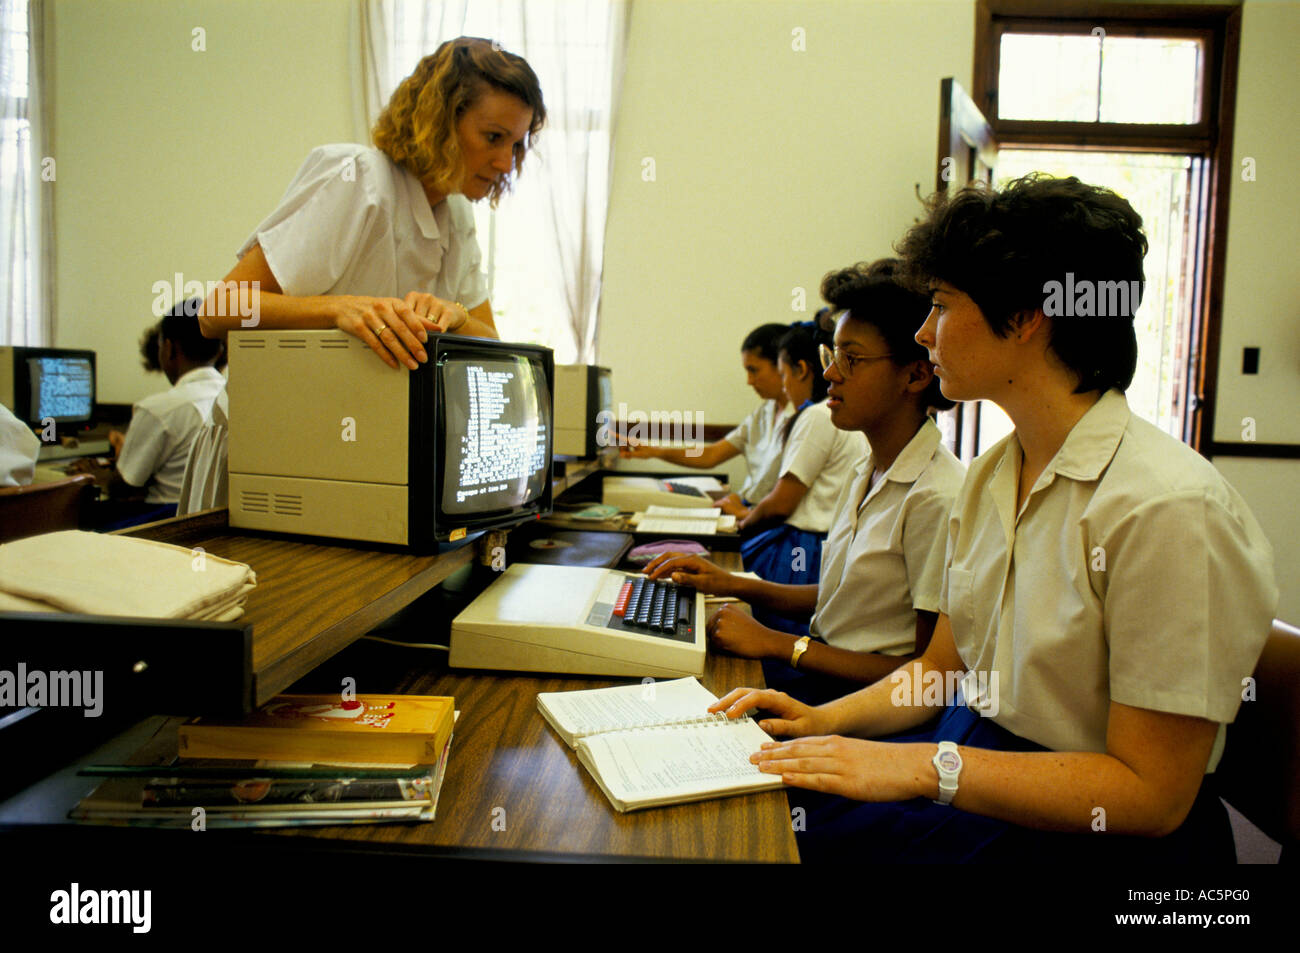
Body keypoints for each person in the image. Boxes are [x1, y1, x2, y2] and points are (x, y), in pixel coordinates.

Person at [711, 175, 1277, 863]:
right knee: (743, 802)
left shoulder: (1169, 508)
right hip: (974, 768)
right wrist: (820, 720)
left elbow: (1150, 794)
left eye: (942, 306)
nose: (924, 332)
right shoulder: (991, 474)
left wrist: (924, 767)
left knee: (772, 842)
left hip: (1085, 837)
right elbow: (942, 669)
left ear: (1025, 317)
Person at [645, 261, 965, 704]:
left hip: (854, 707)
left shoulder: (936, 495)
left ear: (915, 374)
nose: (830, 374)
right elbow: (841, 600)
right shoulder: (869, 468)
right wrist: (730, 583)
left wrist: (781, 644)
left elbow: (925, 678)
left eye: (851, 359)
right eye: (830, 356)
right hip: (824, 677)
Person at [198, 37, 546, 369]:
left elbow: (493, 345)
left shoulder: (456, 212)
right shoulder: (359, 178)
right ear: (440, 122)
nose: (506, 163)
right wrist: (339, 309)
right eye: (494, 137)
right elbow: (218, 310)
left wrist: (458, 316)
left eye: (516, 145)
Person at [733, 322, 866, 634]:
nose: (783, 386)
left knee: (759, 615)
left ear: (803, 370)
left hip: (803, 550)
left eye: (783, 376)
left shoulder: (818, 416)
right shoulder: (835, 415)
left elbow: (781, 503)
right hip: (819, 546)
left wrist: (741, 524)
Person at [72, 304, 226, 526]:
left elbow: (124, 486)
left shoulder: (159, 409)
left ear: (168, 348)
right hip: (213, 518)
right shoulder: (231, 395)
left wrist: (95, 474)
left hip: (164, 518)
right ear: (220, 350)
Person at [620, 323, 792, 509]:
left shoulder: (803, 417)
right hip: (750, 511)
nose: (749, 381)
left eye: (754, 370)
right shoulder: (764, 413)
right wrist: (655, 451)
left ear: (781, 365)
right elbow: (711, 454)